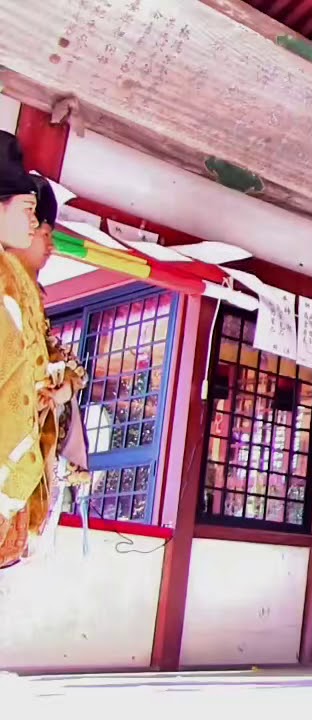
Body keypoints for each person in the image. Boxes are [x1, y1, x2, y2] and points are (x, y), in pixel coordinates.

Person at [0, 135, 82, 569]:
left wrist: (62, 387)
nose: (37, 233)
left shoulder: (20, 288)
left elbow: (64, 365)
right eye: (31, 216)